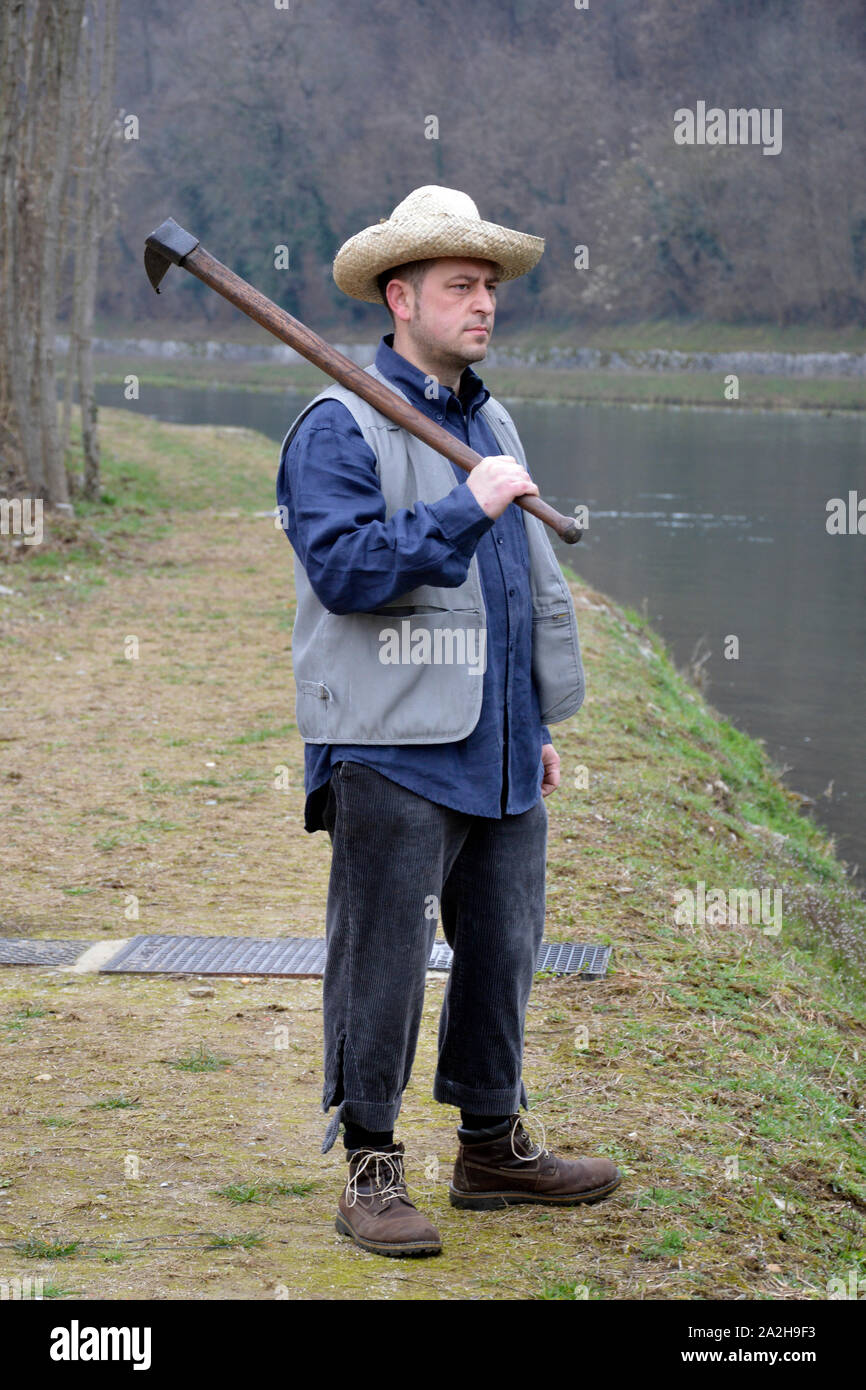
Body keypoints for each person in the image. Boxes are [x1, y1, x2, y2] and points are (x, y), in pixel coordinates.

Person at [276, 185, 622, 1258]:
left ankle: (490, 1143)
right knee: (381, 954)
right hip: (389, 740)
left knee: (504, 945)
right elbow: (344, 572)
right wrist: (455, 511)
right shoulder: (336, 425)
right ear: (399, 297)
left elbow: (515, 588)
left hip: (497, 735)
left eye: (489, 289)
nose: (483, 306)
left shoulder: (488, 417)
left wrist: (533, 721)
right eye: (460, 288)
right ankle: (370, 1167)